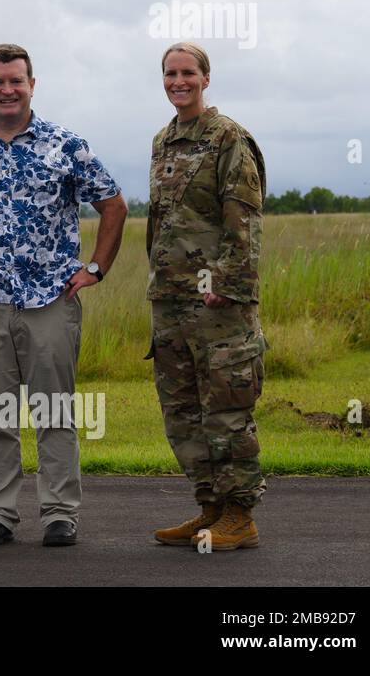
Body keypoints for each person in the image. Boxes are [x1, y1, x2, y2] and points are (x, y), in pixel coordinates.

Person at [0, 44, 126, 547]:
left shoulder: (65, 145)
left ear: (32, 85)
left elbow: (113, 205)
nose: (7, 90)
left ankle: (60, 513)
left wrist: (95, 269)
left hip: (50, 299)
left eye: (16, 81)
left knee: (54, 410)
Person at [148, 41, 267, 551]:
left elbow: (242, 218)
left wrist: (228, 282)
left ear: (205, 78)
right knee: (183, 413)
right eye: (171, 73)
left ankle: (240, 517)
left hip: (217, 305)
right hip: (170, 301)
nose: (179, 81)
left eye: (188, 72)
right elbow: (159, 222)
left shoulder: (229, 139)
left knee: (226, 410)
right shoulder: (163, 141)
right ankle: (210, 509)